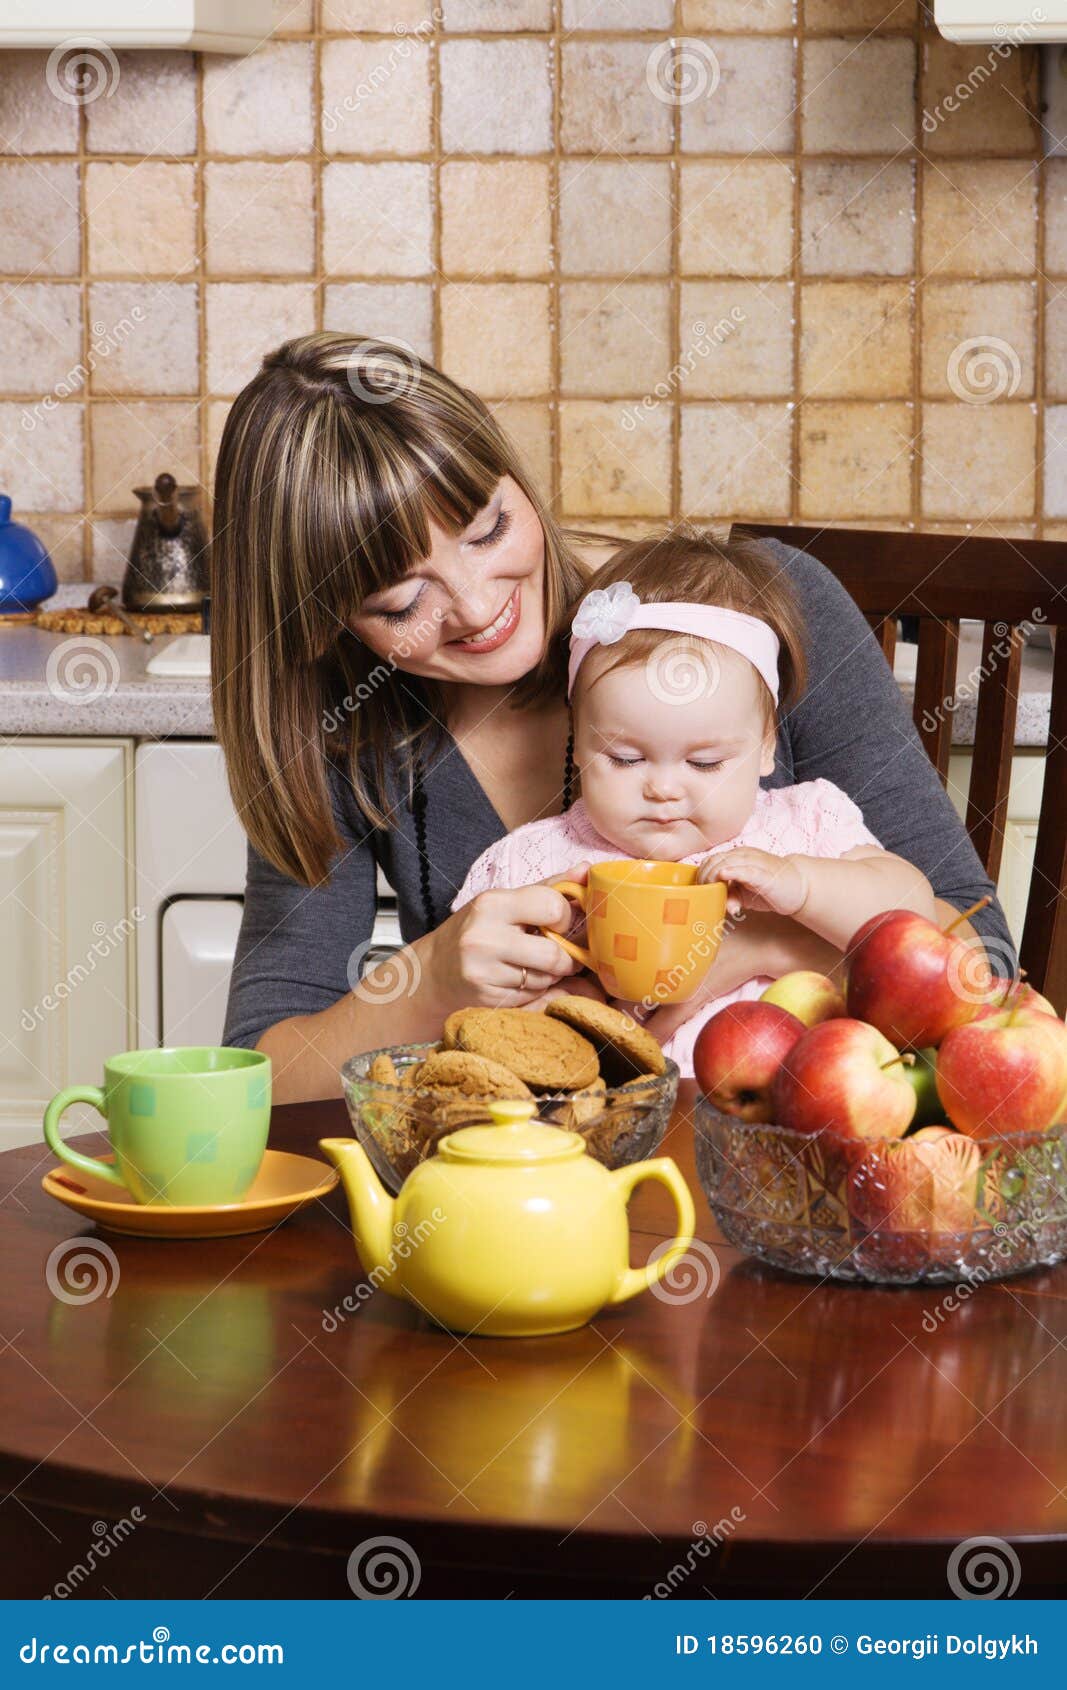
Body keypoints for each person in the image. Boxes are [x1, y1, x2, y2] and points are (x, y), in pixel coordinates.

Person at [215, 332, 1014, 1103]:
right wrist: (434, 979)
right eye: (401, 600)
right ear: (324, 620)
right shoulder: (346, 731)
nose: (478, 604)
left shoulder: (745, 617)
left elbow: (981, 963)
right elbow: (260, 1080)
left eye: (488, 528)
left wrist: (748, 946)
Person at [451, 530, 941, 1075]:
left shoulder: (804, 824)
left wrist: (803, 887)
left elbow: (914, 917)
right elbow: (469, 1010)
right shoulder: (532, 864)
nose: (664, 788)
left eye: (704, 763)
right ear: (578, 742)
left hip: (791, 1115)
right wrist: (538, 1009)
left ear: (765, 746)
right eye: (624, 759)